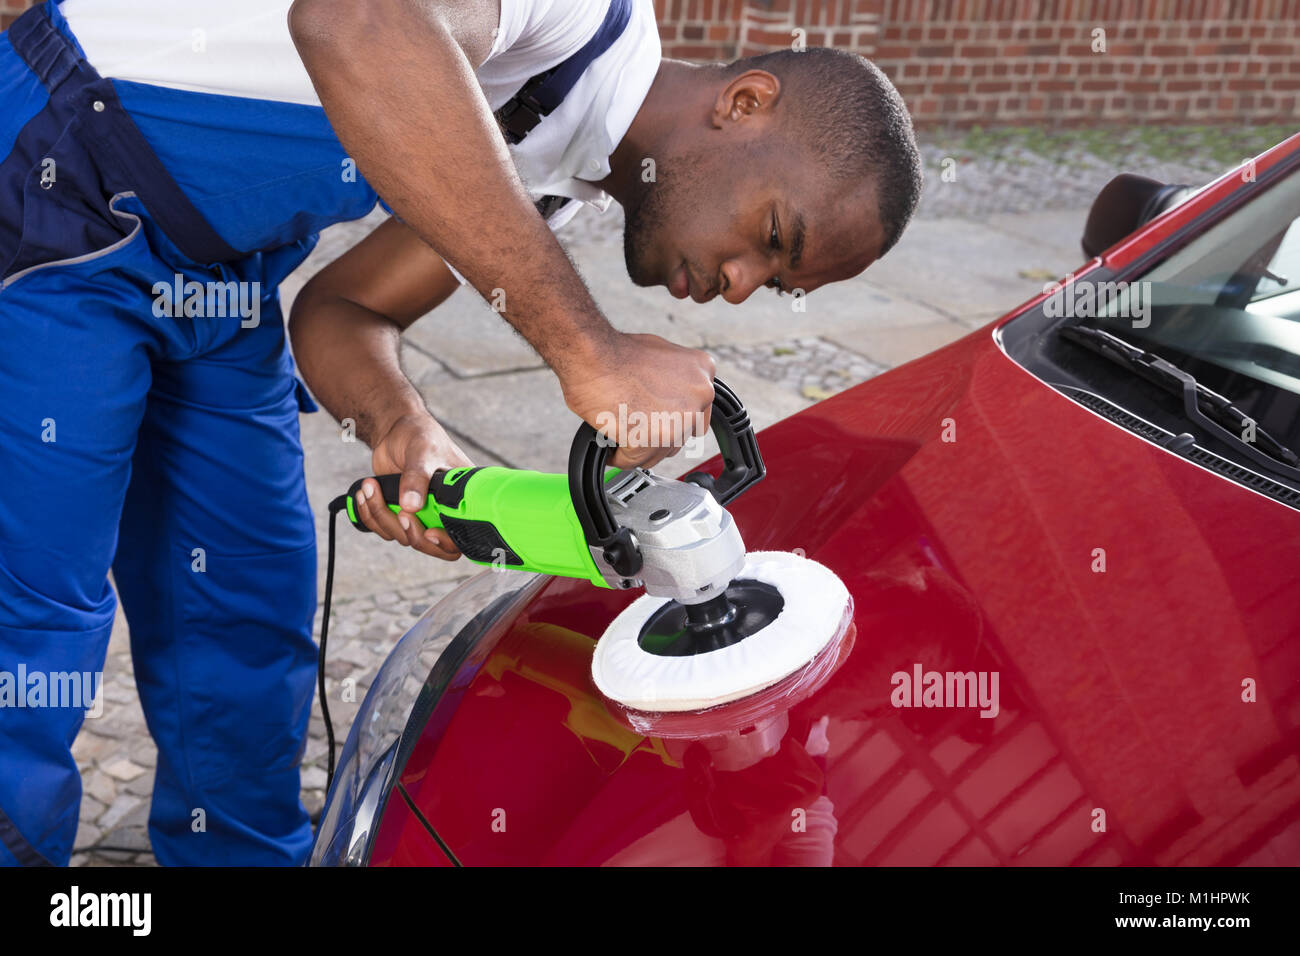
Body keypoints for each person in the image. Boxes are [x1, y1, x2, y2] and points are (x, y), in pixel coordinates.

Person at [0, 0, 920, 866]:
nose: (743, 284)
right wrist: (586, 346)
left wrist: (403, 424)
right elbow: (356, 20)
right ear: (746, 103)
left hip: (217, 276)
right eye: (772, 235)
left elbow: (342, 307)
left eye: (776, 283)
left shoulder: (544, 170)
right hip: (52, 187)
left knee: (244, 609)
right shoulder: (580, 10)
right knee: (36, 622)